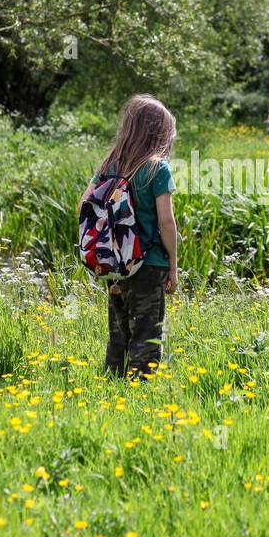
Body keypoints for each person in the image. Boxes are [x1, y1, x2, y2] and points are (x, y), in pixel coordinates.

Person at [91, 94, 179, 377]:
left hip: (115, 264)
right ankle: (140, 390)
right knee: (147, 333)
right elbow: (166, 222)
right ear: (159, 134)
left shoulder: (109, 166)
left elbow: (85, 205)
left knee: (119, 331)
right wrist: (173, 267)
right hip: (149, 263)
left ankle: (112, 384)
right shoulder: (157, 169)